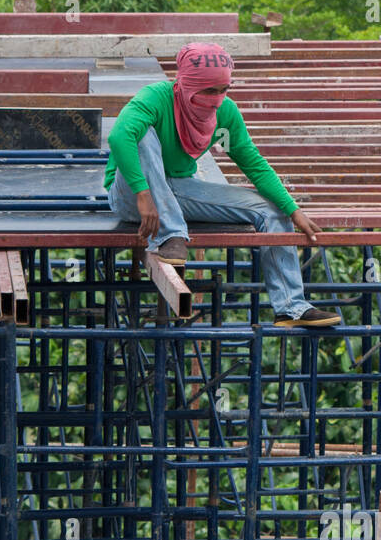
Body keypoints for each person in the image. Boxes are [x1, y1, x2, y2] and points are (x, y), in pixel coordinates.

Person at [105, 41, 341, 330]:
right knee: (140, 132)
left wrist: (292, 210)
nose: (216, 98)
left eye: (222, 90)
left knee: (271, 211)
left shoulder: (225, 114)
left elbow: (252, 162)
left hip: (178, 189)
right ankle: (171, 236)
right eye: (207, 90)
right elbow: (119, 137)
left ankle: (291, 307)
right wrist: (143, 194)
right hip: (131, 193)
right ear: (188, 85)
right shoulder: (156, 98)